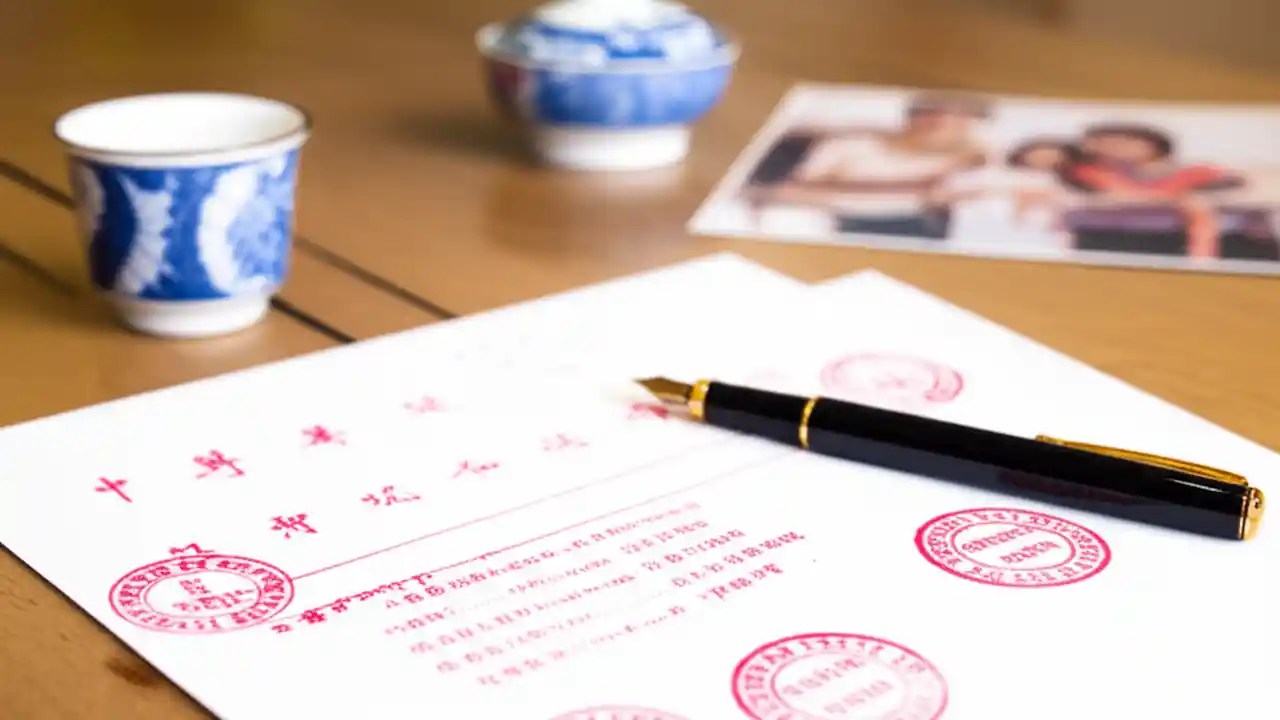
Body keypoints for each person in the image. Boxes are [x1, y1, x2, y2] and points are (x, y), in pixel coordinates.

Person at [745, 92, 992, 240]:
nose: (942, 120)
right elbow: (787, 191)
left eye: (958, 116)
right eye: (930, 113)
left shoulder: (983, 161)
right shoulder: (854, 143)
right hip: (827, 217)